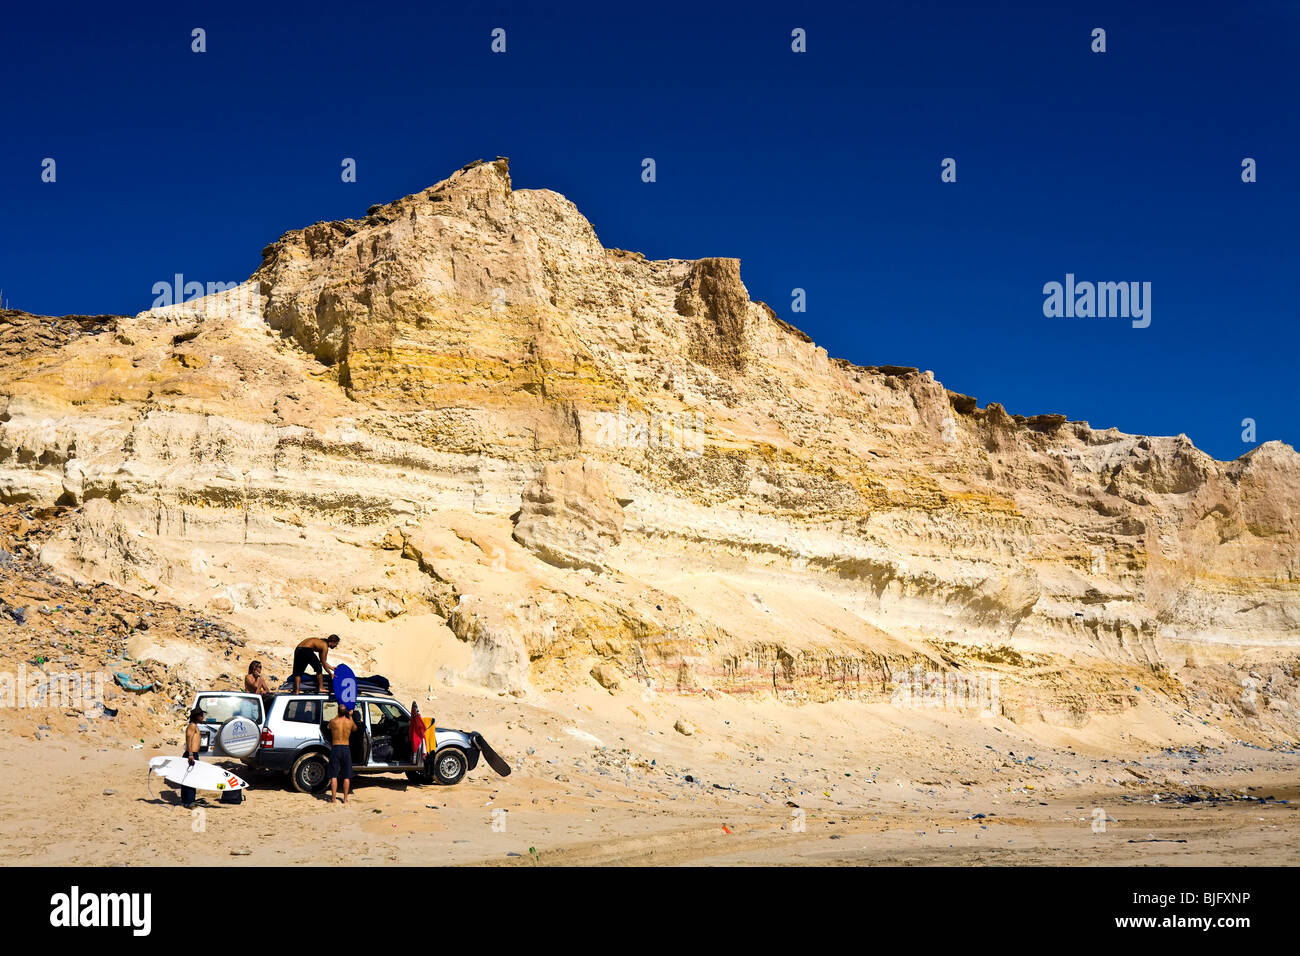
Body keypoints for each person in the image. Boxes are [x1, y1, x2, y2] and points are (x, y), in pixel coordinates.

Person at [327, 705, 355, 804]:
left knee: (334, 775)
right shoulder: (350, 722)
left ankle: (334, 799)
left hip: (336, 747)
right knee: (346, 776)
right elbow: (355, 729)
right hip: (346, 748)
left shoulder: (333, 721)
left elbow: (329, 727)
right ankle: (345, 799)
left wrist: (339, 715)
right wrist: (350, 716)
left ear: (338, 711)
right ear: (346, 712)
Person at [181, 706, 204, 809]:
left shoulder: (195, 726)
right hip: (191, 755)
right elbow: (189, 740)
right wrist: (190, 754)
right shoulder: (192, 725)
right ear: (196, 716)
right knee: (191, 779)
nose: (202, 717)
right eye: (201, 715)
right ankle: (189, 802)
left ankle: (186, 801)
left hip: (193, 754)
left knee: (188, 778)